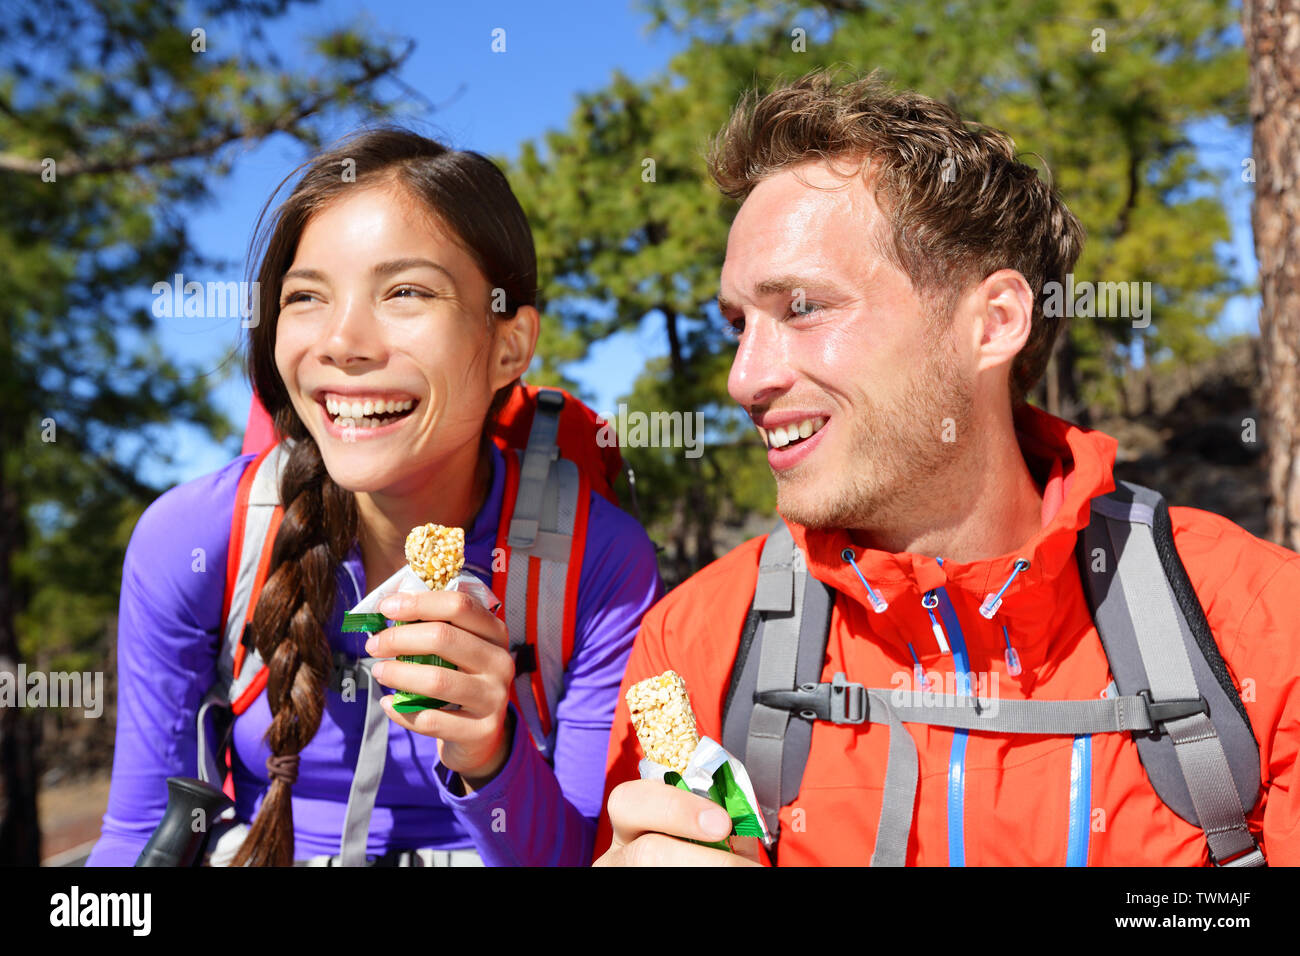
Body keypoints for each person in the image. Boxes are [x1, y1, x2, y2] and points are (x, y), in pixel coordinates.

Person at [594, 70, 1300, 867]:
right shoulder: (694, 643)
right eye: (737, 324)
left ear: (993, 323)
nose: (744, 378)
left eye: (802, 308)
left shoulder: (1262, 631)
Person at [86, 128, 661, 867]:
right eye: (306, 297)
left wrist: (492, 755)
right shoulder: (196, 540)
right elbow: (139, 838)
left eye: (406, 292)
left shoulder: (597, 562)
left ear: (509, 347)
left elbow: (587, 856)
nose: (342, 341)